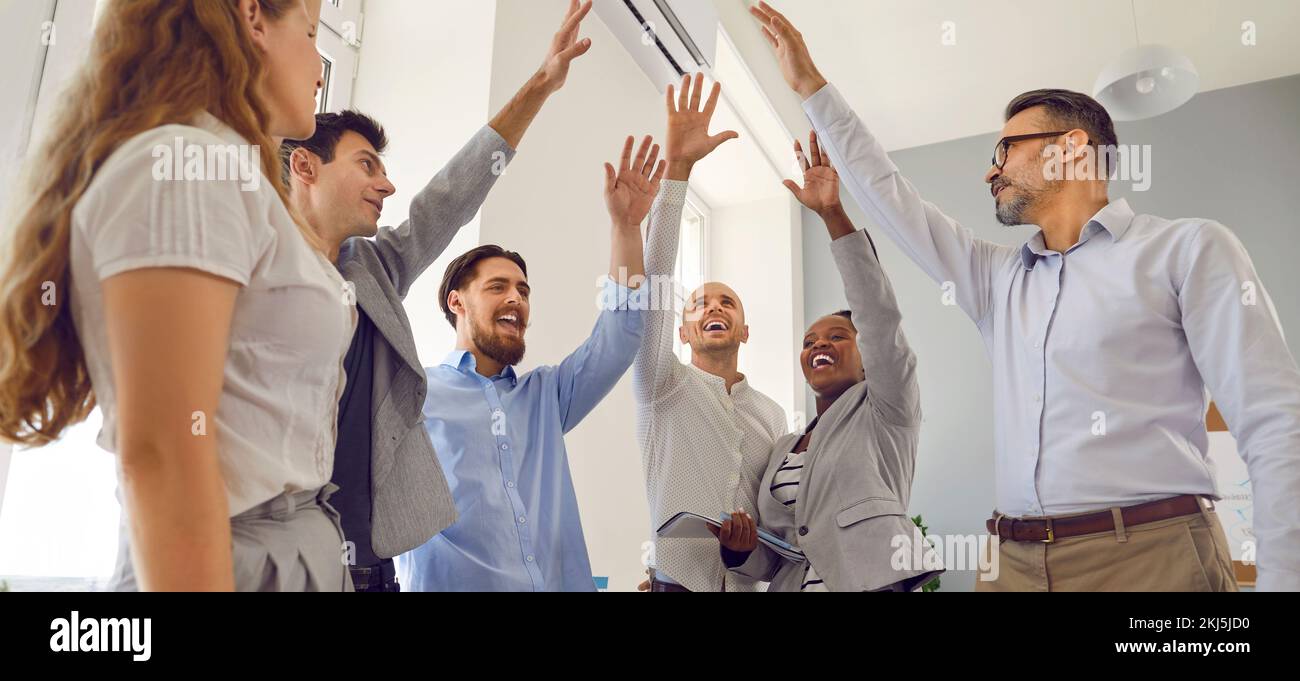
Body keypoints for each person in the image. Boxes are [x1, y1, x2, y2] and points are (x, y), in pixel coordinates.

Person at [750, 0, 1300, 590]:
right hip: (1010, 562)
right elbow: (892, 197)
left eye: (1005, 149)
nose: (991, 171)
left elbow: (1273, 422)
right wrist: (812, 89)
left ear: (1069, 146)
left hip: (1152, 558)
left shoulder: (1188, 251)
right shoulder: (997, 279)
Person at [0, 0, 355, 591]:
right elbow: (163, 454)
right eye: (313, 31)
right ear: (253, 18)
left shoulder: (228, 171)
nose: (321, 63)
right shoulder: (190, 169)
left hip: (285, 551)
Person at [279, 0, 595, 593]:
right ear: (304, 167)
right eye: (367, 164)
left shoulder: (371, 269)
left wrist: (543, 84)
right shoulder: (253, 263)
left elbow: (451, 196)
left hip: (365, 567)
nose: (387, 183)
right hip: (270, 548)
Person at [398, 135, 663, 591]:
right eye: (498, 287)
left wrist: (626, 227)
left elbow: (619, 335)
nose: (515, 299)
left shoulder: (545, 395)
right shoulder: (412, 394)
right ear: (456, 301)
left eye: (523, 290)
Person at [712, 132, 940, 592]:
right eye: (809, 339)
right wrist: (739, 549)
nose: (820, 344)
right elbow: (771, 559)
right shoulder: (784, 446)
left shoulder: (887, 409)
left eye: (838, 336)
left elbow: (878, 315)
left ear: (866, 356)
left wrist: (832, 214)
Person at [632, 74, 786, 593]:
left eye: (728, 303)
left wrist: (748, 549)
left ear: (744, 329)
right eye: (700, 303)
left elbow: (775, 521)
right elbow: (652, 287)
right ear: (682, 329)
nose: (713, 307)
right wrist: (677, 174)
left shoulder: (771, 414)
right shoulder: (661, 384)